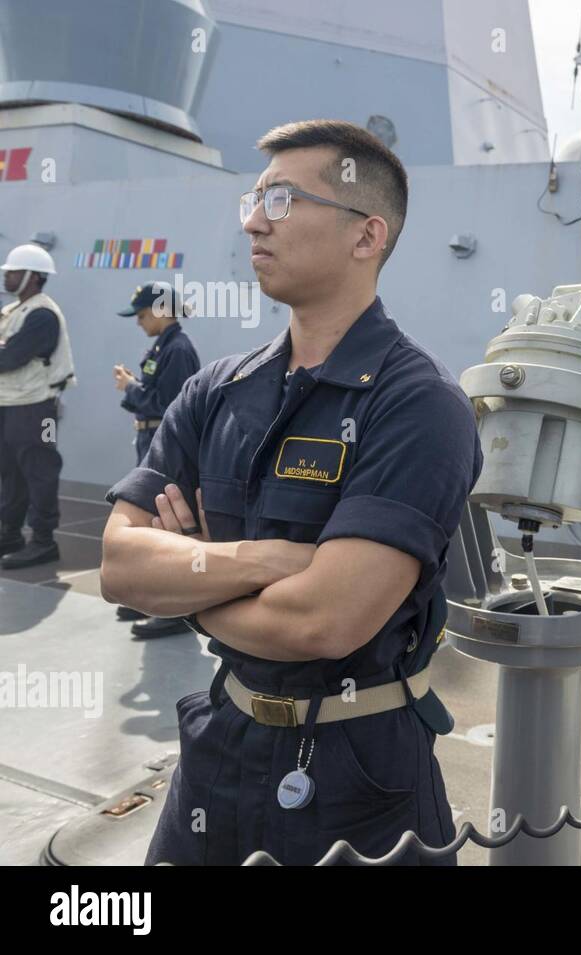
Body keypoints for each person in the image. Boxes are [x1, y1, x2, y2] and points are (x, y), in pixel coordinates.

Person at [100, 119, 482, 865]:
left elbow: (323, 621)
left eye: (280, 199)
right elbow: (119, 565)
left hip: (358, 774)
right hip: (218, 750)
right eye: (254, 197)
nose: (251, 218)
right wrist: (265, 559)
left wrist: (190, 576)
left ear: (365, 236)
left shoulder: (419, 404)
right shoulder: (217, 388)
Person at [111, 281, 201, 635]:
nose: (138, 322)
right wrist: (135, 385)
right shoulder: (165, 347)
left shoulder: (177, 349)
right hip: (150, 437)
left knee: (165, 525)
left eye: (143, 314)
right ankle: (152, 597)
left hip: (164, 441)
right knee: (152, 521)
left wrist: (129, 388)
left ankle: (174, 610)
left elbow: (169, 406)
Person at [0, 242, 76, 570]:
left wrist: (5, 348)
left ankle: (44, 541)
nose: (7, 277)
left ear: (33, 276)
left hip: (36, 407)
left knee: (40, 470)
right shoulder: (11, 312)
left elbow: (10, 357)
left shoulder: (43, 314)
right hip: (9, 404)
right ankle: (10, 534)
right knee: (10, 473)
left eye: (14, 272)